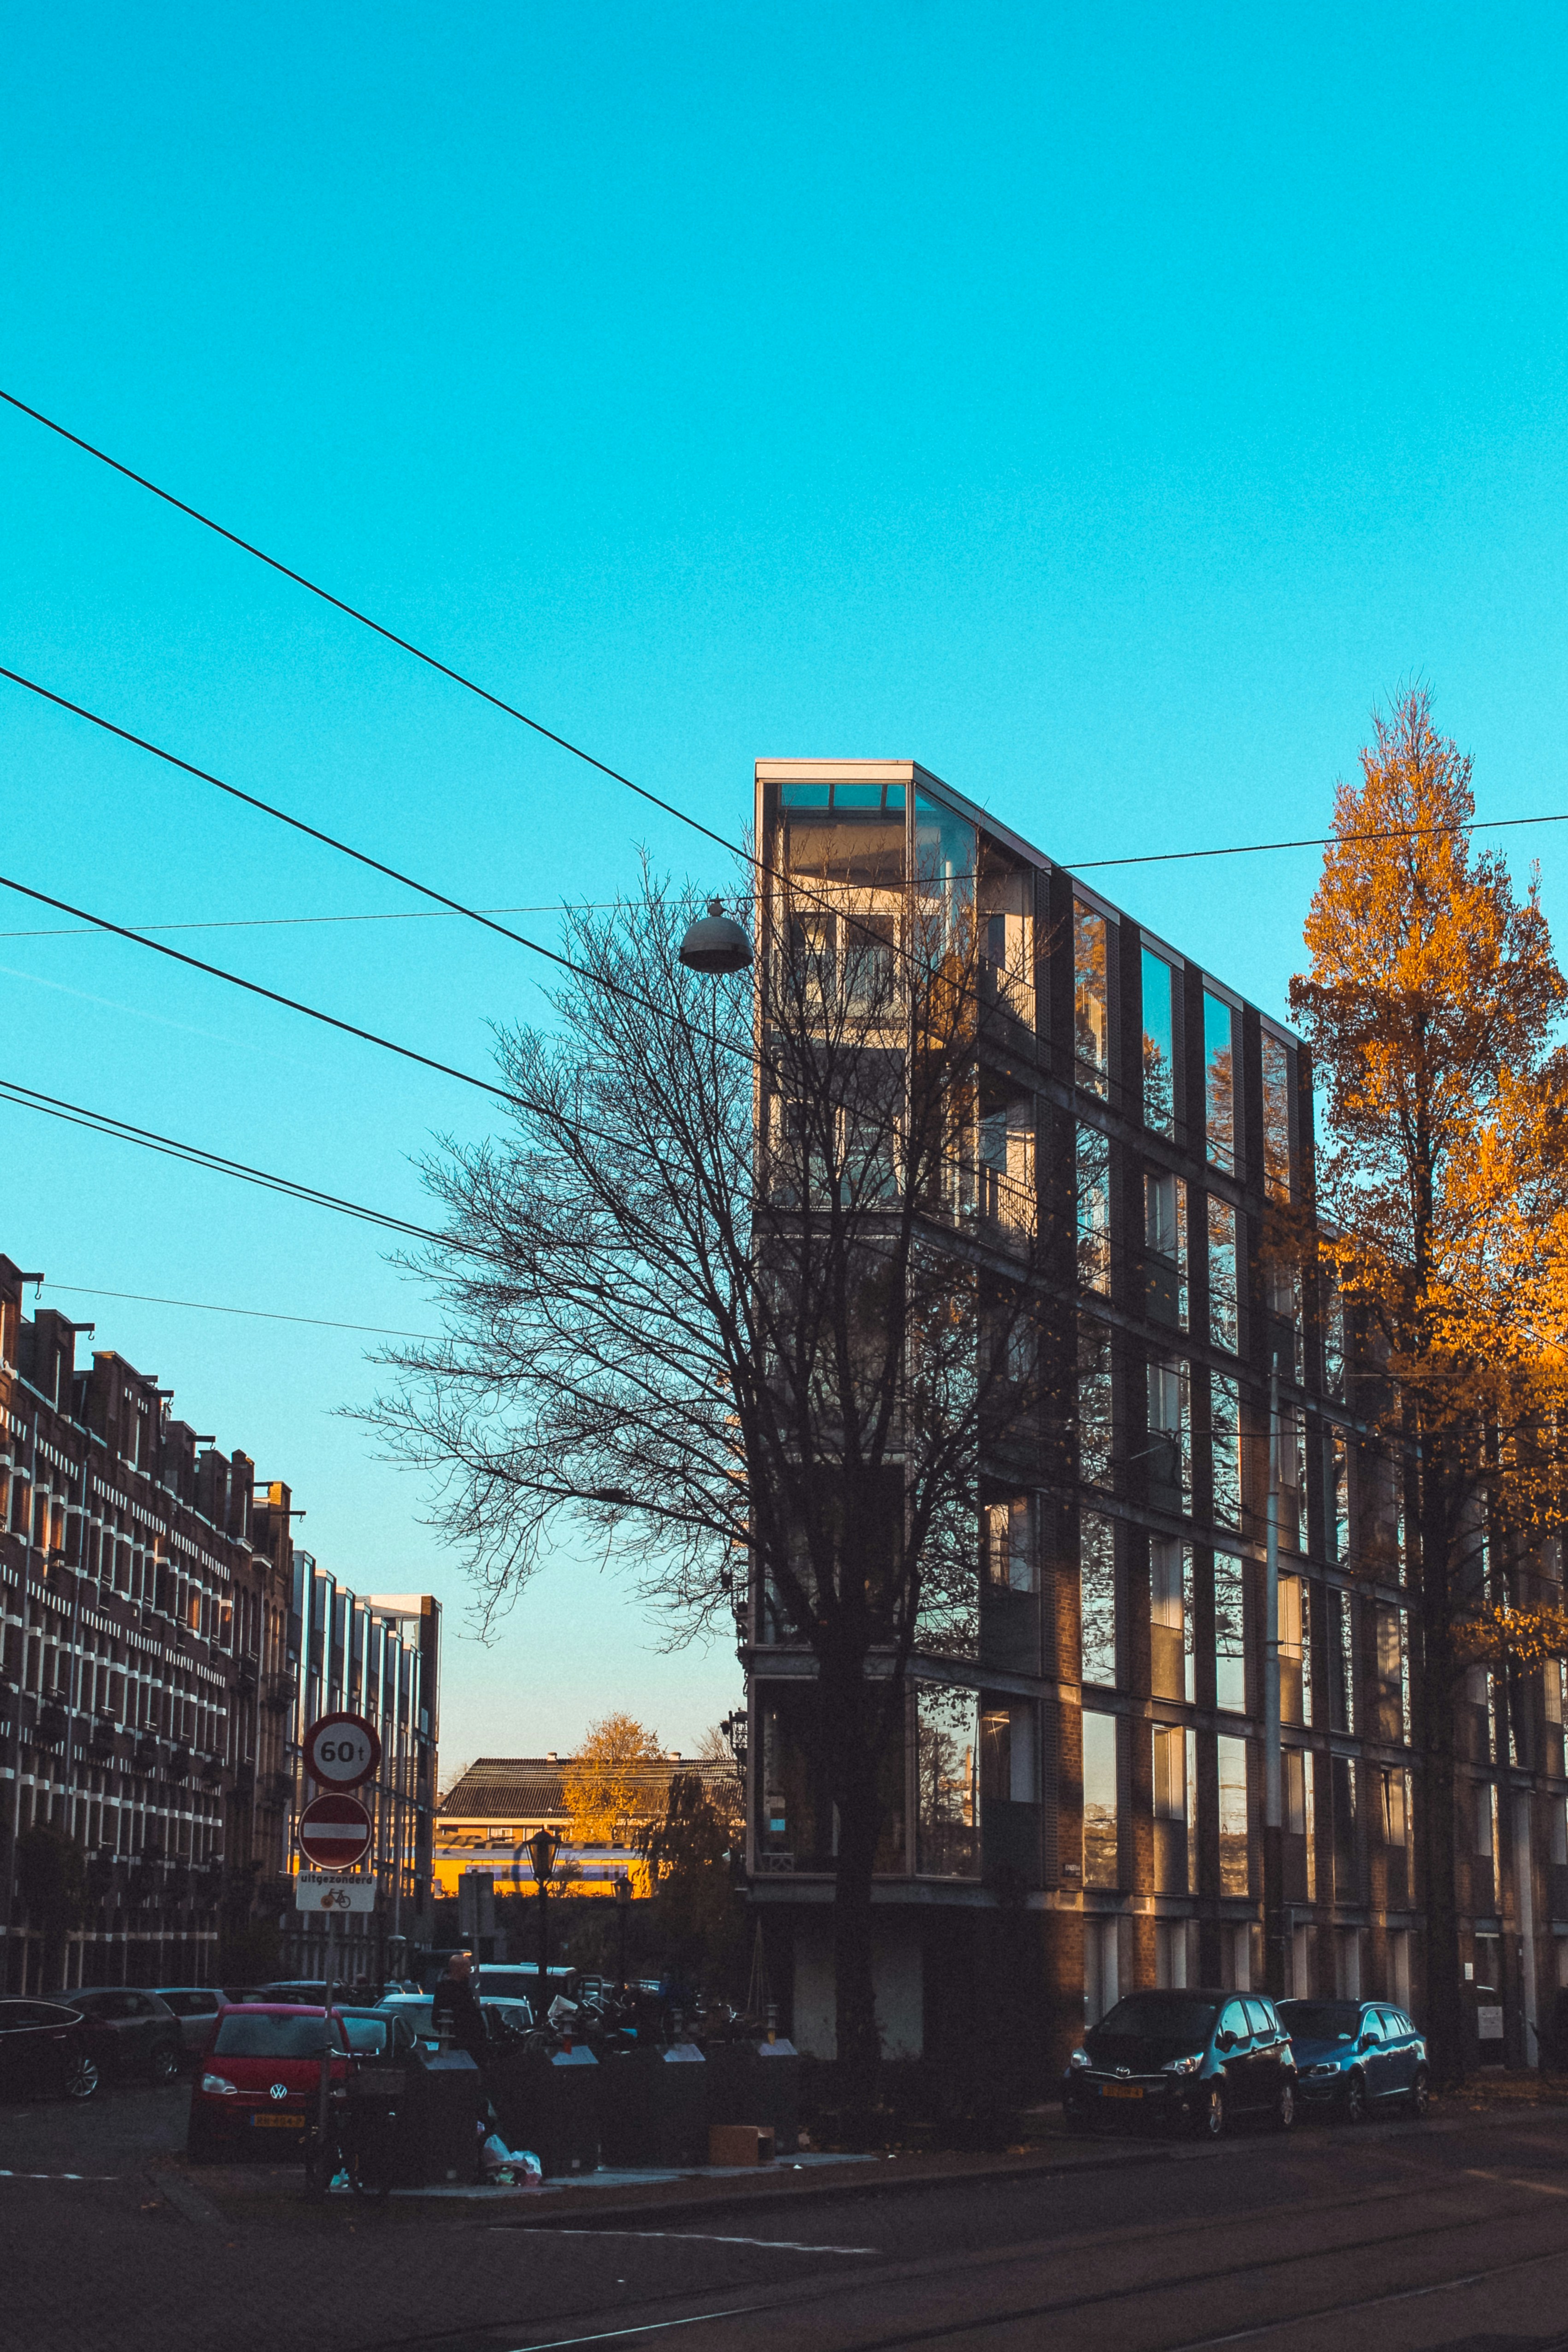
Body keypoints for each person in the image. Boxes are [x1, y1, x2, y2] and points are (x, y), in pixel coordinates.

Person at [431, 1952, 486, 2062]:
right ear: (458, 1968)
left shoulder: (455, 1988)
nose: (470, 1971)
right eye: (467, 1967)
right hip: (461, 2043)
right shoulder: (454, 1990)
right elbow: (466, 2014)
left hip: (462, 2042)